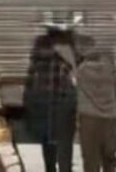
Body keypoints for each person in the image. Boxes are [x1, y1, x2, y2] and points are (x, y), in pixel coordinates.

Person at [23, 17, 78, 172]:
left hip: (45, 98)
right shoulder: (66, 47)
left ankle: (51, 168)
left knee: (48, 139)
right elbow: (74, 72)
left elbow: (31, 73)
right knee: (62, 140)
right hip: (61, 99)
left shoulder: (40, 45)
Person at [77, 46, 116, 172]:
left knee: (91, 160)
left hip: (88, 117)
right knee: (110, 159)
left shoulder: (81, 71)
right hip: (111, 117)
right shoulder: (110, 70)